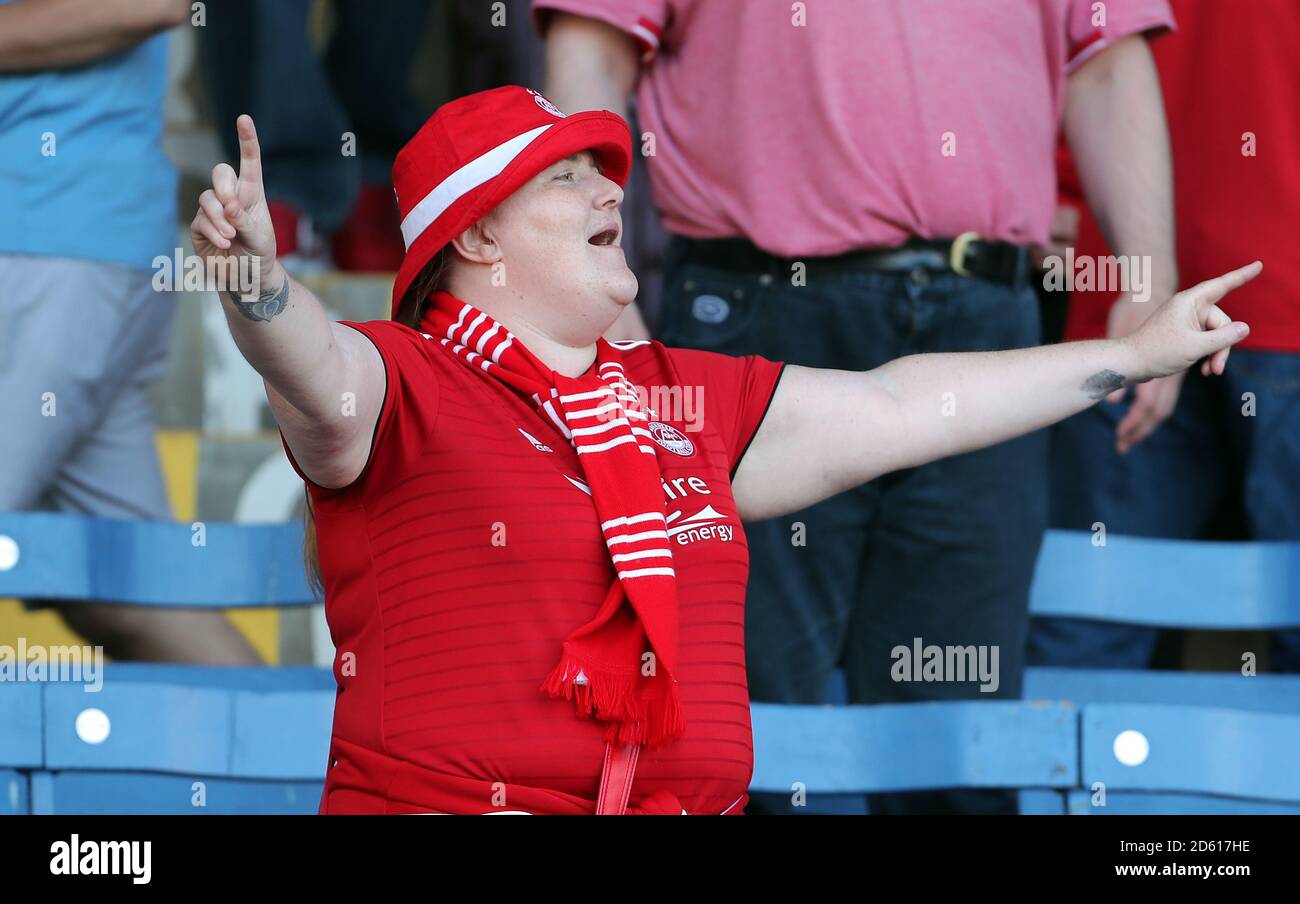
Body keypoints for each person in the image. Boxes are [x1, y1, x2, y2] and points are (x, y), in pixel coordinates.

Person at [189, 85, 1256, 815]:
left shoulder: (677, 397)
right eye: (567, 178)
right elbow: (312, 377)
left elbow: (900, 403)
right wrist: (259, 288)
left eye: (606, 172)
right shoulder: (402, 377)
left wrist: (1132, 354)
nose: (613, 191)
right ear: (472, 236)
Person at [535, 0, 1178, 814]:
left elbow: (1107, 59)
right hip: (755, 307)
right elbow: (593, 46)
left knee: (958, 746)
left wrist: (1149, 277)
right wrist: (586, 266)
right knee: (731, 737)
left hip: (986, 322)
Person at [1030, 0, 1300, 671]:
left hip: (1126, 287)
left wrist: (1043, 189)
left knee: (1089, 627)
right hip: (1144, 298)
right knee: (1085, 628)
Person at [0, 0, 260, 664]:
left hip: (52, 244)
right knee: (140, 599)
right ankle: (307, 762)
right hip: (68, 251)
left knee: (140, 595)